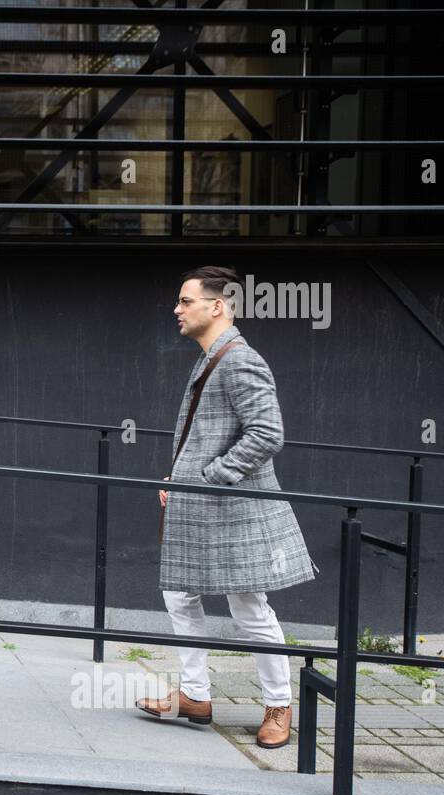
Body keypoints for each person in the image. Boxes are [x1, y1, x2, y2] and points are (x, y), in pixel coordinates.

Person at [138, 265, 317, 748]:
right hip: (202, 506)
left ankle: (279, 706)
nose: (177, 309)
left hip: (231, 508)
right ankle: (195, 696)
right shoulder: (210, 357)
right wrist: (180, 478)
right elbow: (207, 431)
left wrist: (208, 478)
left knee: (249, 607)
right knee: (180, 592)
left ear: (216, 306)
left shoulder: (239, 360)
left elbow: (267, 433)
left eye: (185, 300)